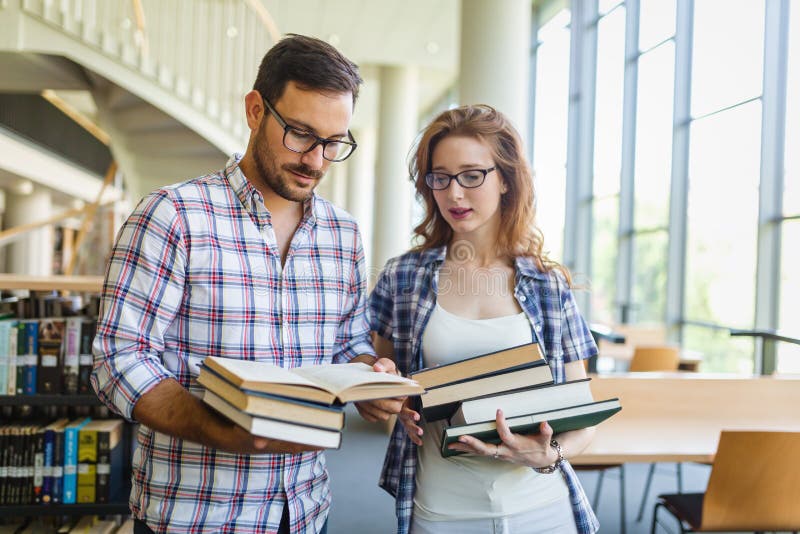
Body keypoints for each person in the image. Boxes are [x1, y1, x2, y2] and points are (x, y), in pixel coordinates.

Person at [92, 34, 402, 534]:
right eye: (300, 134)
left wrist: (370, 377)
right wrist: (216, 428)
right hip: (195, 518)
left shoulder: (343, 234)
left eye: (333, 143)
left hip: (304, 511)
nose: (315, 160)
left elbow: (348, 344)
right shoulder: (173, 215)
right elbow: (118, 358)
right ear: (256, 110)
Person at [368, 104, 600, 534]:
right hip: (440, 511)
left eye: (472, 175)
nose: (454, 194)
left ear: (506, 179)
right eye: (441, 178)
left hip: (543, 510)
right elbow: (377, 392)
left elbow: (582, 414)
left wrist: (551, 455)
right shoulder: (404, 278)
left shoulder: (547, 285)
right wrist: (386, 395)